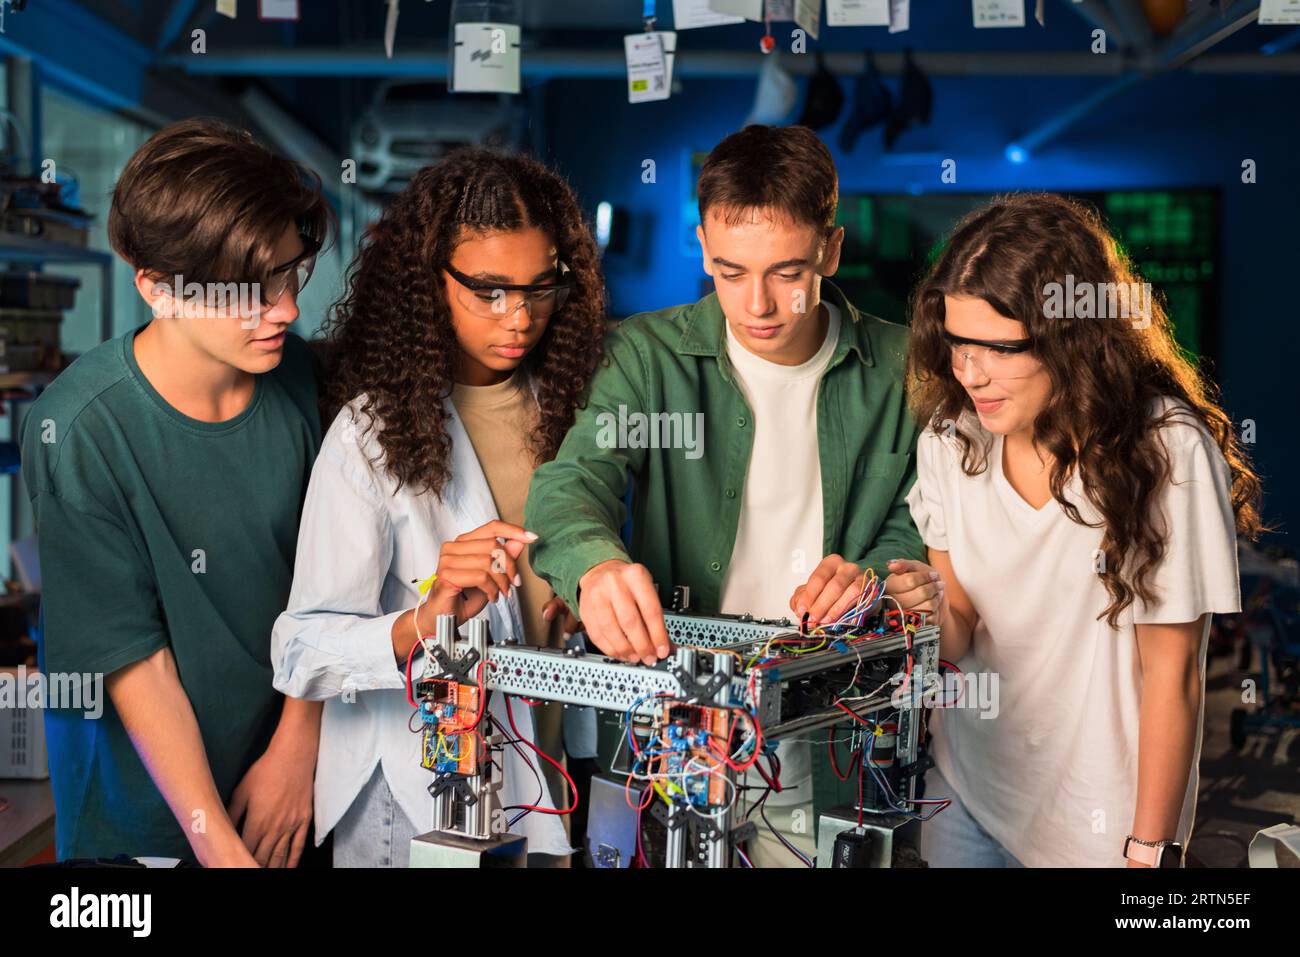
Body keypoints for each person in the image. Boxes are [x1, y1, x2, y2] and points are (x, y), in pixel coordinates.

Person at [525, 124, 925, 867]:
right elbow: (572, 481)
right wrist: (591, 562)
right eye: (731, 271)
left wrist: (875, 575)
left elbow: (922, 519)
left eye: (788, 271)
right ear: (704, 244)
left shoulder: (904, 369)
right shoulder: (647, 357)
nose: (759, 304)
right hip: (663, 731)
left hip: (826, 730)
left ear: (832, 250)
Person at [888, 192, 1263, 867]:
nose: (969, 374)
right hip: (967, 784)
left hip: (1101, 819)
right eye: (956, 344)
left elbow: (1172, 674)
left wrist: (1150, 852)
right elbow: (963, 625)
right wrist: (921, 608)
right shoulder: (951, 438)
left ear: (1072, 336)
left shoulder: (1165, 451)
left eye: (998, 348)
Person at [271, 148, 607, 867]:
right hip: (415, 798)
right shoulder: (371, 431)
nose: (519, 316)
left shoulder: (577, 410)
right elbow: (300, 648)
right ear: (430, 281)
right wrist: (425, 618)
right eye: (488, 290)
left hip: (545, 780)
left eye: (540, 287)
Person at [20, 118, 332, 866]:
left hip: (292, 793)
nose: (285, 308)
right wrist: (218, 845)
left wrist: (297, 744)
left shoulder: (305, 386)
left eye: (293, 274)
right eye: (252, 291)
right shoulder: (80, 429)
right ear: (159, 289)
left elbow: (336, 588)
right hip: (143, 822)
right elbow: (136, 660)